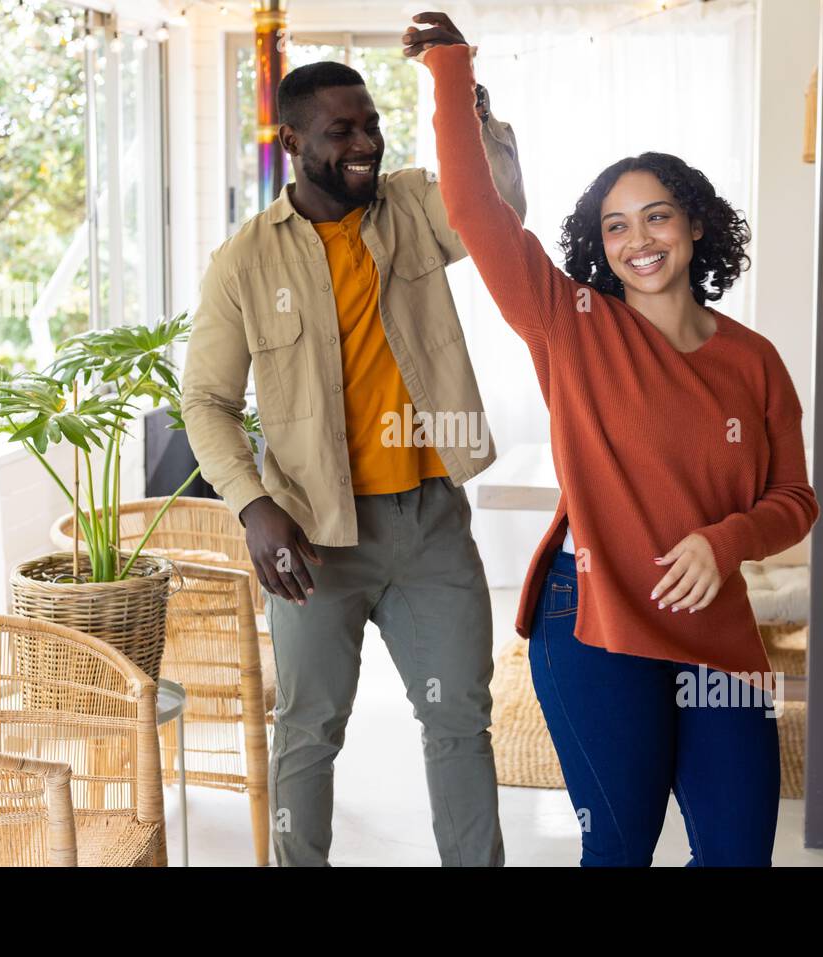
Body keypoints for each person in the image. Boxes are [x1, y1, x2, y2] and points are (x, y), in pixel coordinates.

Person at [409, 35, 820, 866]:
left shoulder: (754, 359)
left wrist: (725, 539)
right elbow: (475, 213)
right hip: (592, 618)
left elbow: (795, 500)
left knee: (741, 850)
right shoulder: (571, 325)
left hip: (717, 629)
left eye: (658, 214)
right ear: (601, 242)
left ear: (695, 224)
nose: (640, 238)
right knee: (621, 848)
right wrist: (450, 72)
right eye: (617, 224)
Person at [180, 12, 526, 867]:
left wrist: (464, 90)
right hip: (312, 537)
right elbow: (208, 400)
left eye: (371, 124)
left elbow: (503, 208)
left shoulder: (411, 203)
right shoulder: (244, 262)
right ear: (294, 140)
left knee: (459, 721)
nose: (365, 142)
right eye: (343, 131)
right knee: (308, 730)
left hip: (430, 523)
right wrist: (254, 507)